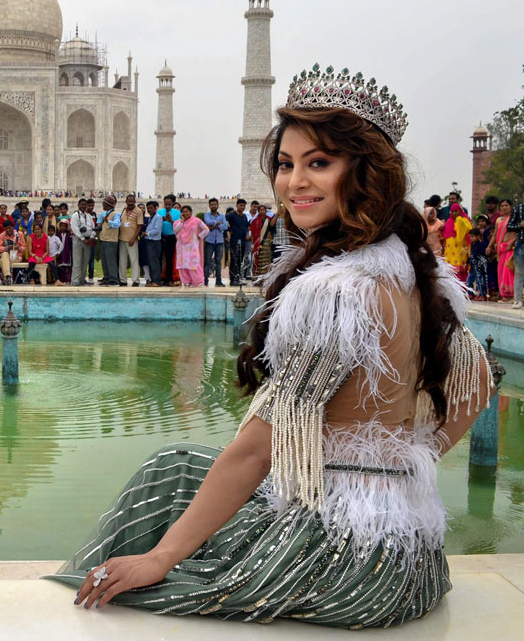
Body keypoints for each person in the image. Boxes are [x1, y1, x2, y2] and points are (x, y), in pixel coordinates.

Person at [51, 65, 492, 628]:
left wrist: (160, 558)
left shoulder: (335, 292)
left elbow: (256, 453)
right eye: (286, 164)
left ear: (366, 172)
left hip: (349, 564)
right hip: (412, 559)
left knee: (137, 559)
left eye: (319, 163)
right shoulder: (414, 270)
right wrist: (400, 471)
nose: (294, 182)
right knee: (177, 468)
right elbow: (478, 383)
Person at [172, 205, 209, 287]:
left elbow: (206, 229)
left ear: (191, 212)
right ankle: (187, 282)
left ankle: (198, 282)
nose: (185, 213)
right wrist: (182, 221)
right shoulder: (178, 222)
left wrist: (199, 236)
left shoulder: (196, 221)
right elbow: (175, 230)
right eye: (183, 212)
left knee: (193, 264)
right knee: (183, 264)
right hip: (181, 246)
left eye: (187, 211)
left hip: (192, 246)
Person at [488, 199, 514, 300]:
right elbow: (495, 234)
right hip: (501, 249)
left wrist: (512, 243)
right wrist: (489, 246)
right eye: (502, 206)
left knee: (508, 270)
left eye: (506, 205)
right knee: (501, 271)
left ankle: (511, 294)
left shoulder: (513, 219)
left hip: (510, 248)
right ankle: (503, 294)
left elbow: (518, 232)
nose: (504, 207)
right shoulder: (498, 220)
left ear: (511, 207)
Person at [118, 194, 144, 287]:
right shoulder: (123, 210)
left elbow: (139, 226)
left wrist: (133, 238)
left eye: (132, 201)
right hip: (122, 239)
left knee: (134, 260)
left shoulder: (138, 211)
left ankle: (135, 280)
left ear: (135, 202)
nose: (130, 203)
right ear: (126, 201)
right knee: (122, 261)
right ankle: (123, 280)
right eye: (129, 201)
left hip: (132, 240)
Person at [442, 203, 472, 282]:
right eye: (452, 211)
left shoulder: (465, 220)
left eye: (456, 211)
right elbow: (445, 236)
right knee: (450, 270)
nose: (454, 213)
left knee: (460, 270)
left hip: (460, 248)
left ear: (460, 211)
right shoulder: (449, 221)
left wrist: (459, 220)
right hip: (449, 250)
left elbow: (468, 231)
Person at [70, 198, 96, 286]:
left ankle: (82, 279)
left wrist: (91, 237)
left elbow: (93, 228)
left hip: (88, 240)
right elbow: (75, 229)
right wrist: (82, 238)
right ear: (78, 205)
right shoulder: (75, 216)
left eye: (85, 205)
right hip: (78, 240)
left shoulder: (89, 216)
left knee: (85, 262)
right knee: (77, 261)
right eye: (82, 204)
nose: (83, 206)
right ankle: (75, 280)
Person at [202, 197, 227, 286]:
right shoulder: (206, 215)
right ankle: (205, 280)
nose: (213, 206)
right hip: (209, 241)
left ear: (218, 205)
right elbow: (207, 221)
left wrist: (213, 226)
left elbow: (225, 227)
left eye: (215, 204)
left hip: (219, 241)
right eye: (212, 205)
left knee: (218, 262)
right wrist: (217, 223)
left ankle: (218, 281)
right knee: (207, 262)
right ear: (209, 206)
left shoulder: (222, 216)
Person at [96, 195, 121, 286]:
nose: (102, 205)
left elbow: (117, 224)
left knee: (111, 261)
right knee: (105, 261)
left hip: (111, 241)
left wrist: (108, 222)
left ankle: (113, 280)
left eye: (104, 203)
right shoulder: (106, 214)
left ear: (108, 204)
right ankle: (107, 278)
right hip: (104, 240)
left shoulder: (115, 214)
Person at [157, 194, 181, 286]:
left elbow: (179, 225)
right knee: (159, 258)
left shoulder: (177, 213)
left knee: (170, 259)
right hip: (161, 237)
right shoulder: (160, 212)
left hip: (171, 237)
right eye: (166, 204)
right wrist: (162, 220)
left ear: (172, 204)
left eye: (169, 204)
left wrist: (171, 220)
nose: (167, 206)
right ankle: (159, 278)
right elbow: (156, 224)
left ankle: (169, 279)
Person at [226, 198, 249, 285]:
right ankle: (233, 280)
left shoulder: (244, 216)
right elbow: (223, 221)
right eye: (240, 205)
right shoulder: (232, 215)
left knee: (240, 261)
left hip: (243, 242)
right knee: (234, 261)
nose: (242, 207)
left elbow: (247, 226)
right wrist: (229, 230)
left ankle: (238, 278)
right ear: (236, 205)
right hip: (234, 241)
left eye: (244, 206)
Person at [507, 197, 524, 309]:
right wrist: (520, 225)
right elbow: (509, 226)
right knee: (519, 273)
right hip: (521, 243)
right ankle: (518, 300)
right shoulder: (519, 208)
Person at [0, 221, 26, 285]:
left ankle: (7, 278)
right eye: (6, 228)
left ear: (13, 227)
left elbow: (24, 247)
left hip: (17, 256)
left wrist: (18, 248)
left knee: (3, 261)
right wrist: (7, 248)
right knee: (4, 255)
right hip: (7, 256)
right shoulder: (2, 235)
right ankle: (8, 276)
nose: (8, 230)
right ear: (4, 229)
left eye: (9, 228)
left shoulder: (19, 234)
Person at [249, 204, 275, 275]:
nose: (262, 211)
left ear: (266, 211)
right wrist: (252, 244)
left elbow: (272, 231)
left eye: (263, 210)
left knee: (267, 260)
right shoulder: (254, 221)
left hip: (267, 243)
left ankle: (266, 276)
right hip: (257, 244)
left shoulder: (269, 220)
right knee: (258, 260)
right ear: (258, 211)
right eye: (260, 210)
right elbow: (253, 234)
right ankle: (257, 276)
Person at [142, 201, 163, 287]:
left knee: (154, 262)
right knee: (150, 262)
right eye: (148, 208)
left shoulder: (158, 217)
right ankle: (153, 280)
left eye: (151, 208)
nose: (149, 210)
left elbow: (157, 230)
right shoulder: (151, 217)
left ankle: (157, 281)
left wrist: (147, 233)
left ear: (155, 208)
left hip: (154, 242)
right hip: (149, 241)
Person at [466, 227, 489, 300]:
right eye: (470, 237)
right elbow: (471, 255)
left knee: (479, 281)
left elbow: (483, 255)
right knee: (469, 280)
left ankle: (482, 295)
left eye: (472, 236)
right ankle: (470, 294)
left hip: (479, 267)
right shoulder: (472, 245)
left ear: (478, 236)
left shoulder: (480, 245)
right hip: (472, 267)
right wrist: (467, 263)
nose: (471, 238)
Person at [54, 219, 73, 284]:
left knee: (67, 267)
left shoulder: (69, 234)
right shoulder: (57, 234)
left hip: (67, 252)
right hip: (59, 253)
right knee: (60, 267)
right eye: (61, 226)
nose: (63, 227)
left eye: (64, 226)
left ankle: (68, 279)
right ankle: (61, 280)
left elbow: (71, 244)